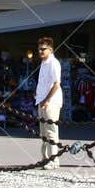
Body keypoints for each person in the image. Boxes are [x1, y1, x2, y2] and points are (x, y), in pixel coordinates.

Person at [33, 36, 62, 167]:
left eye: (43, 49)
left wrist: (46, 100)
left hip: (51, 102)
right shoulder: (43, 63)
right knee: (43, 133)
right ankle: (45, 158)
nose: (40, 51)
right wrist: (38, 95)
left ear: (50, 49)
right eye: (39, 49)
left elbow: (57, 84)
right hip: (41, 100)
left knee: (51, 132)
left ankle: (53, 160)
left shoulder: (53, 63)